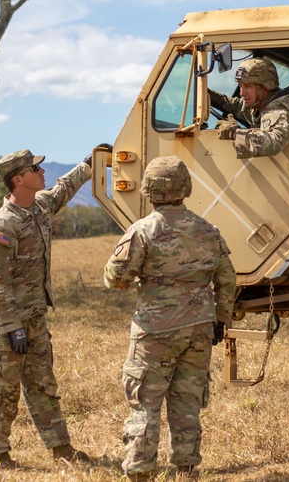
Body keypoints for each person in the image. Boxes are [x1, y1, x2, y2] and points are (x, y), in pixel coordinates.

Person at [104, 156, 236, 482]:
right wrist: (219, 319)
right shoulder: (208, 230)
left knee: (145, 405)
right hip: (199, 329)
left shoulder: (142, 231)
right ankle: (186, 470)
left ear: (148, 189)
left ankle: (139, 472)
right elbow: (228, 280)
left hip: (154, 332)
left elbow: (116, 277)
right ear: (185, 188)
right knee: (187, 404)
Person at [0, 147, 106, 470]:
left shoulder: (38, 207)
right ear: (18, 179)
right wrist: (12, 327)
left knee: (43, 385)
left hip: (35, 318)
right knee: (3, 392)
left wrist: (89, 164)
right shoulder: (2, 227)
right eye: (35, 170)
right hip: (7, 323)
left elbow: (63, 188)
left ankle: (61, 448)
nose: (42, 172)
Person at [210, 58, 289, 158]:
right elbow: (239, 107)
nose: (242, 92)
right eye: (240, 86)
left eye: (248, 86)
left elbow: (274, 142)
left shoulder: (277, 111)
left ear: (265, 88)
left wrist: (234, 133)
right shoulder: (260, 104)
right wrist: (212, 97)